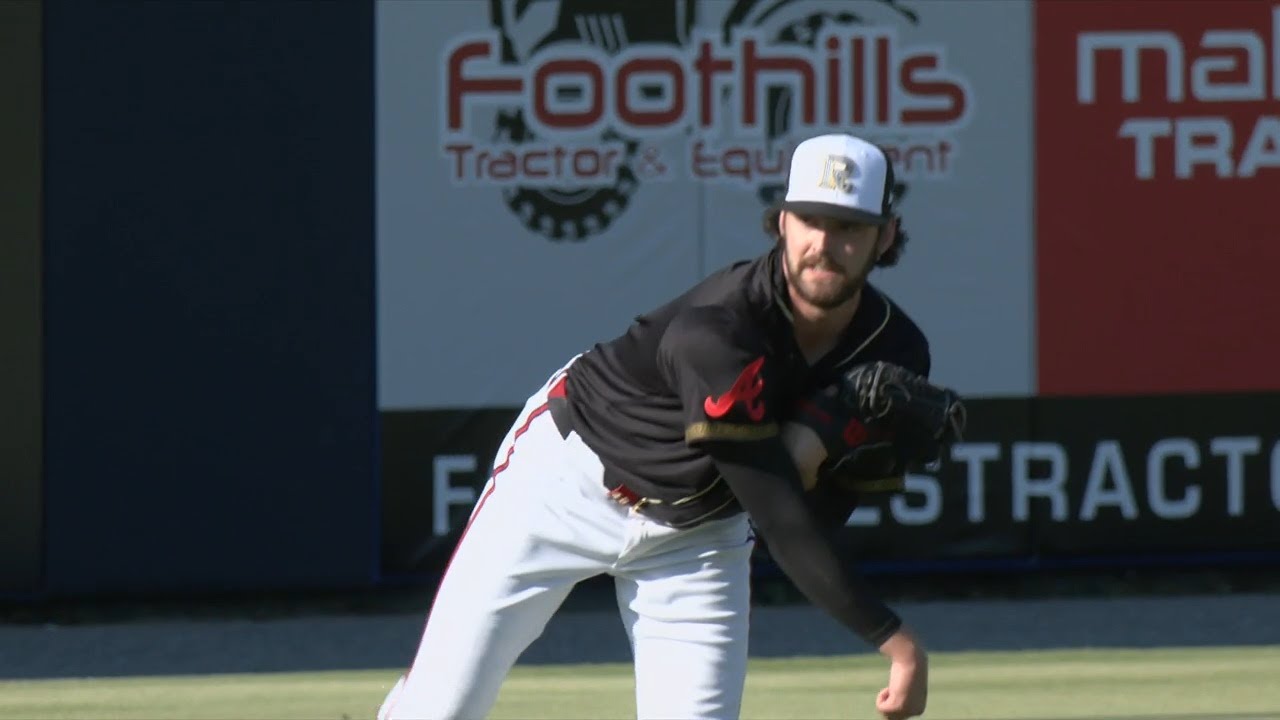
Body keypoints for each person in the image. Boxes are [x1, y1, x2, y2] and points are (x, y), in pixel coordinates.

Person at [378, 133, 953, 720]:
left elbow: (813, 516)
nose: (824, 244)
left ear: (884, 236)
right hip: (566, 479)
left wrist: (823, 463)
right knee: (442, 708)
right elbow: (780, 518)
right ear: (782, 221)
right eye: (810, 219)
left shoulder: (895, 350)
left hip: (697, 537)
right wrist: (896, 640)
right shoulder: (718, 333)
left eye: (849, 227)